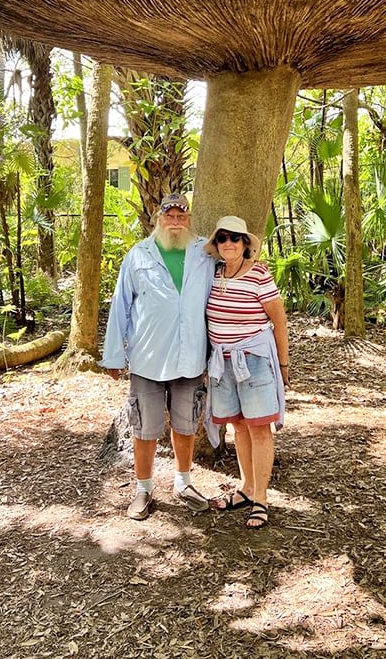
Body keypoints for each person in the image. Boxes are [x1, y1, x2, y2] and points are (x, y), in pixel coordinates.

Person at [100, 192, 215, 520]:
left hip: (190, 356)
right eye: (169, 216)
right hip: (148, 359)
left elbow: (234, 271)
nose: (175, 222)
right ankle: (143, 489)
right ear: (158, 219)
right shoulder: (138, 256)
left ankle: (183, 482)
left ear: (189, 220)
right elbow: (120, 306)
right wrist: (113, 357)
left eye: (181, 216)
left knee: (186, 424)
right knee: (144, 428)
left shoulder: (205, 254)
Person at [204, 215, 289, 529]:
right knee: (239, 426)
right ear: (217, 244)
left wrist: (283, 364)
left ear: (245, 244)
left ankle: (262, 499)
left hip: (253, 361)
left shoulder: (259, 273)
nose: (229, 243)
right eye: (223, 238)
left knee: (258, 428)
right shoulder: (214, 274)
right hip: (222, 363)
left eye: (235, 238)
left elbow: (279, 321)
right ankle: (246, 488)